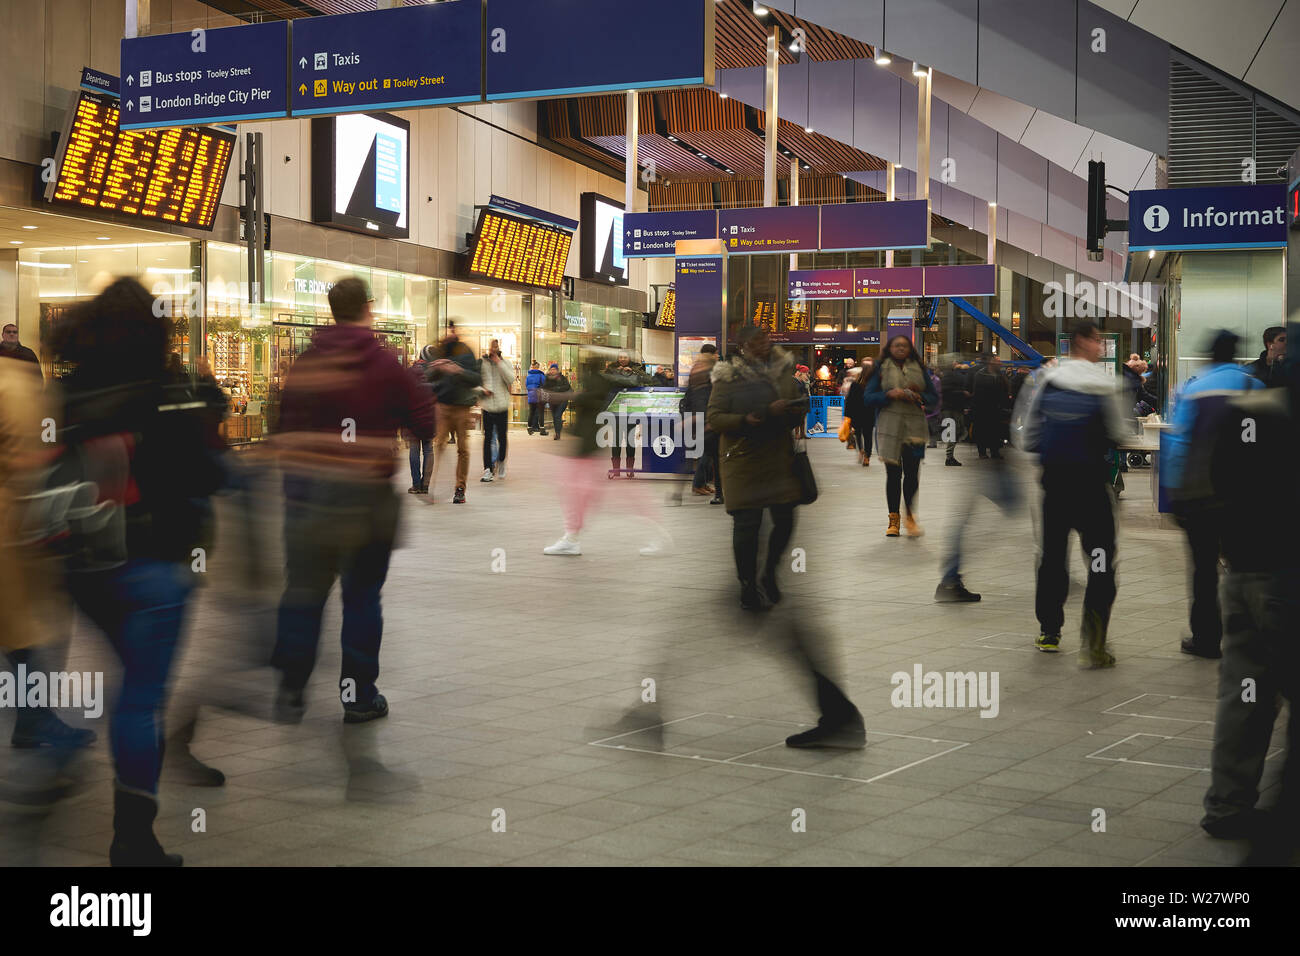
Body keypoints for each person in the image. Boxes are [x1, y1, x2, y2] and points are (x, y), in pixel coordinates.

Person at [48, 277, 224, 866]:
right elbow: (203, 475)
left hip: (85, 569)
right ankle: (133, 838)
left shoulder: (70, 395)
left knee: (129, 683)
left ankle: (61, 756)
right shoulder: (167, 391)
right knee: (141, 697)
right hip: (155, 568)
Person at [272, 276, 434, 730]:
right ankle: (358, 697)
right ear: (368, 307)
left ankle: (291, 687)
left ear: (331, 309)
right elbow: (425, 426)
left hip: (307, 499)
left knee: (303, 593)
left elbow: (282, 428)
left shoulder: (305, 362)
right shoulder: (386, 365)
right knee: (361, 599)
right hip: (364, 504)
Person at [1195, 340, 1299, 852]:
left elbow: (1213, 484)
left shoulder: (1246, 412)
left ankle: (1227, 804)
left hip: (1242, 574)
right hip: (1287, 578)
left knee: (1244, 696)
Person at [1016, 320, 1127, 665]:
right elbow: (1119, 433)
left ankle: (1050, 631)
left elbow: (1028, 434)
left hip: (1055, 487)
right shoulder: (1105, 385)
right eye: (1097, 340)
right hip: (1092, 487)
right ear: (1082, 341)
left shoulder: (1047, 380)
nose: (1101, 347)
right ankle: (1093, 642)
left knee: (1052, 558)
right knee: (1100, 560)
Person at [1161, 330, 1262, 659]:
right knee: (1246, 566)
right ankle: (1253, 634)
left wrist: (1174, 493)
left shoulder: (1195, 388)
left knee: (1204, 569)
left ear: (1210, 355)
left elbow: (1179, 443)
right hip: (1246, 497)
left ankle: (1206, 639)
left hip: (1201, 495)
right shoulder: (1255, 387)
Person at [707, 325, 806, 611]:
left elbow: (796, 408)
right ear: (744, 347)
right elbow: (715, 417)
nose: (763, 345)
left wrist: (794, 408)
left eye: (765, 339)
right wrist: (747, 419)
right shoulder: (728, 376)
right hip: (743, 458)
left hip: (778, 457)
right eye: (755, 342)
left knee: (785, 519)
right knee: (747, 525)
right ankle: (747, 585)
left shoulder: (783, 369)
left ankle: (769, 572)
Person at [540, 355, 669, 557]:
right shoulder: (601, 381)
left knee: (598, 494)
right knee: (577, 491)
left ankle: (657, 533)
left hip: (589, 445)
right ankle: (571, 538)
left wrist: (553, 396)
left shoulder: (601, 381)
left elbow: (584, 397)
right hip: (587, 444)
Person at [863, 335, 939, 537]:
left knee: (912, 474)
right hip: (889, 427)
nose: (900, 348)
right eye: (897, 345)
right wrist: (888, 394)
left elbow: (934, 398)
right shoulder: (880, 369)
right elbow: (868, 397)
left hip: (915, 428)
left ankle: (910, 517)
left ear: (910, 349)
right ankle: (893, 519)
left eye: (904, 346)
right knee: (894, 475)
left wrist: (920, 395)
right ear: (890, 348)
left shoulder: (920, 369)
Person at [427, 322, 481, 504]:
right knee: (439, 445)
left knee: (463, 449)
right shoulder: (439, 350)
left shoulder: (466, 351)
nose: (450, 332)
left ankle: (460, 488)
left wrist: (458, 370)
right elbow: (428, 376)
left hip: (462, 407)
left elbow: (475, 379)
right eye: (447, 329)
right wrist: (437, 368)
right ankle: (432, 486)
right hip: (443, 406)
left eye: (452, 329)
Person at [604, 353, 650, 477]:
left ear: (629, 358)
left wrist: (633, 372)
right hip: (616, 408)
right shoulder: (611, 369)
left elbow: (647, 380)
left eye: (625, 357)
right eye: (620, 357)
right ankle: (616, 469)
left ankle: (630, 468)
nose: (622, 359)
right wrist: (615, 372)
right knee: (617, 439)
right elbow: (605, 382)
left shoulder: (636, 368)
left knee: (630, 439)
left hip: (632, 408)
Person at [682, 344, 718, 497]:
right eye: (716, 354)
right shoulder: (705, 369)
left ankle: (702, 483)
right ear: (711, 354)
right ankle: (698, 484)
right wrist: (706, 417)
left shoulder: (698, 367)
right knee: (707, 452)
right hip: (703, 415)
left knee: (707, 451)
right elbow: (702, 396)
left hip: (699, 414)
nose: (718, 356)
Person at [478, 339, 515, 483]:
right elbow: (475, 382)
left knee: (502, 437)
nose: (493, 350)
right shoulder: (482, 364)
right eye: (491, 347)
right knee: (487, 438)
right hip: (487, 406)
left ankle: (501, 461)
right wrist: (482, 390)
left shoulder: (505, 363)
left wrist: (499, 362)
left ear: (499, 349)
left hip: (501, 406)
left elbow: (511, 379)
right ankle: (487, 469)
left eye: (495, 347)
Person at [406, 344, 436, 494]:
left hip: (413, 417)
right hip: (430, 417)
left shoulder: (410, 372)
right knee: (428, 450)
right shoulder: (436, 373)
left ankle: (416, 485)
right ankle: (425, 485)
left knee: (414, 450)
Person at [970, 354, 1010, 459]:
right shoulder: (981, 374)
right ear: (991, 362)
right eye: (998, 361)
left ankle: (994, 451)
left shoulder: (999, 375)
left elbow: (1005, 390)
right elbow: (978, 393)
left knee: (995, 431)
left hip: (996, 408)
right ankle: (982, 452)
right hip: (983, 408)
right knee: (982, 430)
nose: (1000, 364)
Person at [940, 359, 972, 466]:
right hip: (952, 409)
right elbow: (947, 391)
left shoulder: (949, 376)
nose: (958, 365)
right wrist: (962, 393)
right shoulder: (949, 376)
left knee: (956, 431)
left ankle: (949, 456)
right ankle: (949, 457)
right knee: (954, 431)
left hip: (953, 408)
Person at [843, 366, 873, 466]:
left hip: (857, 415)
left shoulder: (855, 385)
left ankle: (861, 450)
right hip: (868, 414)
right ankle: (867, 457)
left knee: (859, 434)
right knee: (868, 436)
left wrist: (847, 415)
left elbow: (849, 401)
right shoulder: (872, 385)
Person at [542, 362, 571, 438]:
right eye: (551, 369)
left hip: (562, 400)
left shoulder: (562, 378)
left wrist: (557, 389)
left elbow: (567, 387)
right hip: (553, 401)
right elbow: (544, 388)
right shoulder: (547, 378)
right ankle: (558, 431)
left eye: (554, 369)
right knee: (555, 416)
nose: (552, 371)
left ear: (557, 370)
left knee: (557, 415)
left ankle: (557, 433)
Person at [525, 360, 547, 435]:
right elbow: (545, 385)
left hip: (531, 395)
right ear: (538, 367)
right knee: (541, 412)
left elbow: (527, 386)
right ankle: (542, 429)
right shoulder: (541, 375)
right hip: (539, 395)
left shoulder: (528, 376)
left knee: (531, 412)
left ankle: (529, 428)